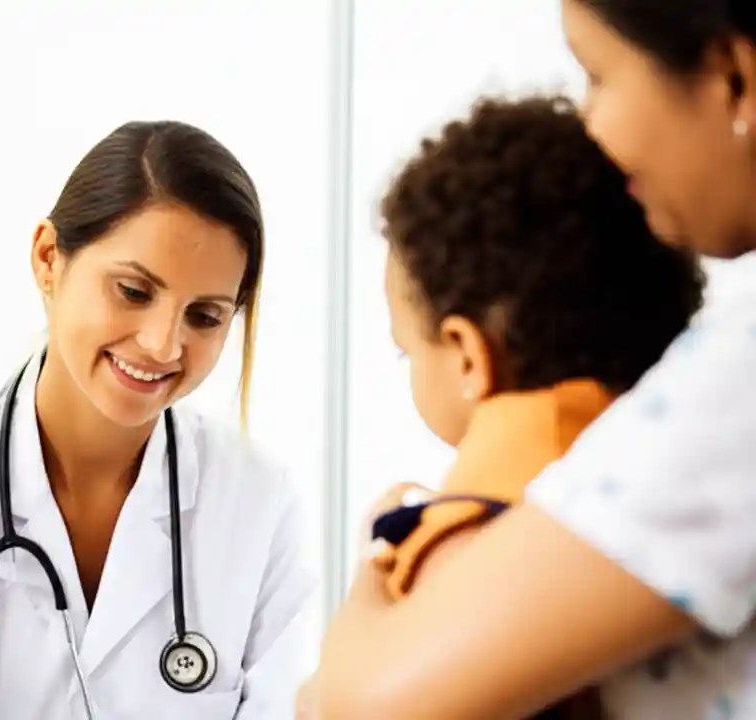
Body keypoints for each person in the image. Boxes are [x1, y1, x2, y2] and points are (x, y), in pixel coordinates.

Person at [298, 2, 756, 718]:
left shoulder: (456, 536)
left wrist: (383, 549)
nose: (593, 122)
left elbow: (360, 705)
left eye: (597, 74)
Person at [0, 120, 316, 719]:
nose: (163, 345)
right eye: (134, 292)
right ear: (48, 260)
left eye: (204, 316)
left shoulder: (258, 500)